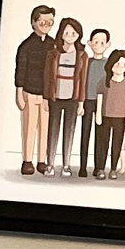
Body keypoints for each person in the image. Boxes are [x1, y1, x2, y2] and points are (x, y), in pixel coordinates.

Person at [13, 6, 56, 173]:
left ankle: (41, 160)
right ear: (33, 22)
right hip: (29, 92)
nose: (46, 25)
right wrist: (19, 93)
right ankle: (27, 160)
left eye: (50, 22)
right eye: (42, 22)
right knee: (29, 126)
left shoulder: (53, 45)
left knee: (45, 127)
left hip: (46, 94)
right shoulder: (26, 46)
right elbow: (20, 71)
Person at [46, 15, 86, 172]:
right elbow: (47, 76)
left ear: (78, 35)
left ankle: (66, 164)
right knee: (53, 131)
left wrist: (81, 102)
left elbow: (82, 80)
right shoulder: (54, 53)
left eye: (73, 33)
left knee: (69, 132)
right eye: (67, 32)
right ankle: (50, 164)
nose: (70, 36)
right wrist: (45, 97)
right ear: (61, 33)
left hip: (72, 98)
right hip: (55, 97)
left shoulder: (82, 55)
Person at [76, 25, 111, 177]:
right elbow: (81, 82)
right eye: (95, 42)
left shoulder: (109, 63)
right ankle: (83, 166)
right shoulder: (86, 61)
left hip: (103, 104)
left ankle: (99, 167)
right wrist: (80, 102)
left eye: (102, 43)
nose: (98, 46)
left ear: (108, 45)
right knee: (85, 133)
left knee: (102, 135)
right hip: (87, 101)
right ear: (90, 43)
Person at [96, 47, 125, 177]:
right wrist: (98, 116)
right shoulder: (104, 81)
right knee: (103, 143)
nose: (120, 67)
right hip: (105, 116)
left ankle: (113, 168)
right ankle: (100, 168)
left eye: (124, 64)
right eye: (117, 63)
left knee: (117, 144)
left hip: (120, 118)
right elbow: (100, 99)